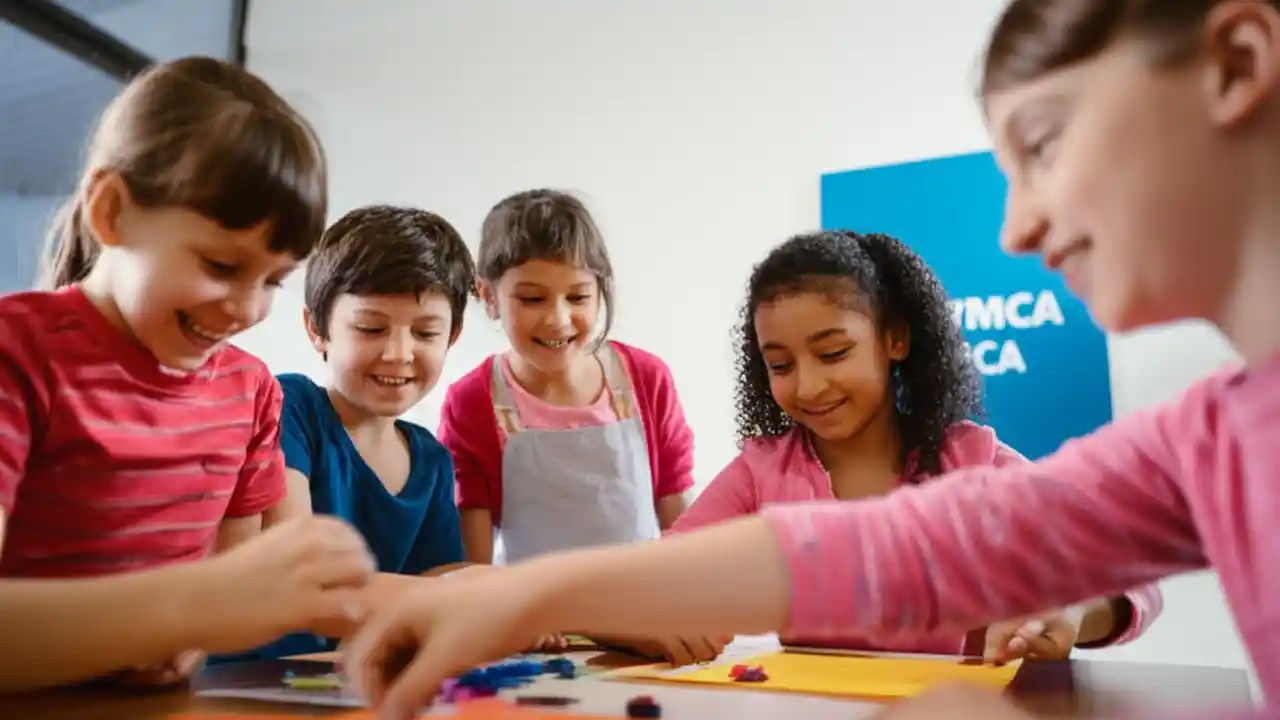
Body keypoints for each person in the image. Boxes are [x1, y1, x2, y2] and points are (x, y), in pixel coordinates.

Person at [340, 1, 1280, 718]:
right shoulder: (1203, 435)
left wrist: (1077, 617)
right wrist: (514, 596)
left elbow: (1081, 577)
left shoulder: (982, 448)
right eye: (783, 361)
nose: (1019, 223)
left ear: (1237, 62)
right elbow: (883, 553)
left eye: (1045, 145)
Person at [0, 56, 376, 692]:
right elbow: (215, 596)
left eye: (273, 280)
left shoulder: (250, 392)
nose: (248, 308)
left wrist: (489, 597)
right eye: (221, 265)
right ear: (113, 211)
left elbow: (255, 595)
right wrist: (195, 608)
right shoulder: (18, 356)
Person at [670, 230, 1162, 661]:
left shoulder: (973, 461)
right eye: (780, 365)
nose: (808, 386)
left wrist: (1073, 610)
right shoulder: (761, 473)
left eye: (833, 353)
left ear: (895, 340)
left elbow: (1132, 577)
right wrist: (633, 618)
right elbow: (665, 569)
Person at [437, 189, 724, 663]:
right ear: (488, 295)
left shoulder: (645, 380)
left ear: (602, 288)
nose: (558, 318)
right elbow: (475, 565)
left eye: (578, 296)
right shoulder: (472, 401)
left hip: (643, 631)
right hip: (538, 636)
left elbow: (677, 510)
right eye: (531, 298)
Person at [212, 205, 476, 662]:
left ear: (452, 336)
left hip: (344, 684)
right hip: (252, 680)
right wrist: (472, 592)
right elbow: (302, 573)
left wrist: (490, 594)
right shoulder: (289, 407)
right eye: (371, 328)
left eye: (425, 332)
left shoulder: (431, 458)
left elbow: (440, 575)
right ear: (317, 328)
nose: (399, 353)